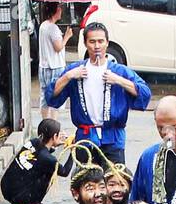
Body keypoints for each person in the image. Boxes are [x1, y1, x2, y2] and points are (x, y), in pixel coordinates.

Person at [46, 21, 151, 166]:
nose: (97, 46)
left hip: (113, 139)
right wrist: (68, 76)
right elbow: (51, 96)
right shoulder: (75, 70)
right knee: (85, 185)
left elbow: (145, 94)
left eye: (101, 41)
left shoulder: (119, 71)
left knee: (115, 183)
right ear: (85, 43)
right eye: (92, 42)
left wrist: (119, 80)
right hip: (85, 138)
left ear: (107, 43)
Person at [0, 118, 62, 204]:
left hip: (6, 189)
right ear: (54, 136)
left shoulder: (33, 142)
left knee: (42, 167)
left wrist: (54, 145)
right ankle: (32, 203)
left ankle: (22, 201)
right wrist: (71, 148)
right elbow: (64, 171)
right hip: (19, 196)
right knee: (51, 170)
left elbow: (43, 154)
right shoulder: (48, 159)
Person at [37, 3, 73, 114]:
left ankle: (45, 126)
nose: (61, 11)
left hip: (43, 67)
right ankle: (54, 127)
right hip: (55, 67)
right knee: (55, 97)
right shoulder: (53, 28)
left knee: (44, 97)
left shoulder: (43, 25)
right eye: (60, 8)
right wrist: (67, 37)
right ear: (56, 10)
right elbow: (58, 47)